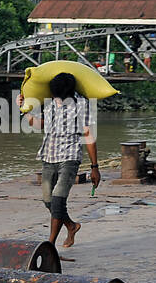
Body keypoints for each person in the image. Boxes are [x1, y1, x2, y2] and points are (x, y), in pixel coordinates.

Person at [19, 72, 99, 249]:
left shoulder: (82, 104)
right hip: (48, 156)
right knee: (48, 201)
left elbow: (88, 135)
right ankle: (71, 226)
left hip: (70, 158)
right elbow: (39, 125)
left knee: (57, 200)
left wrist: (95, 167)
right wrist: (24, 110)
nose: (57, 99)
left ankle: (50, 246)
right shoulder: (49, 102)